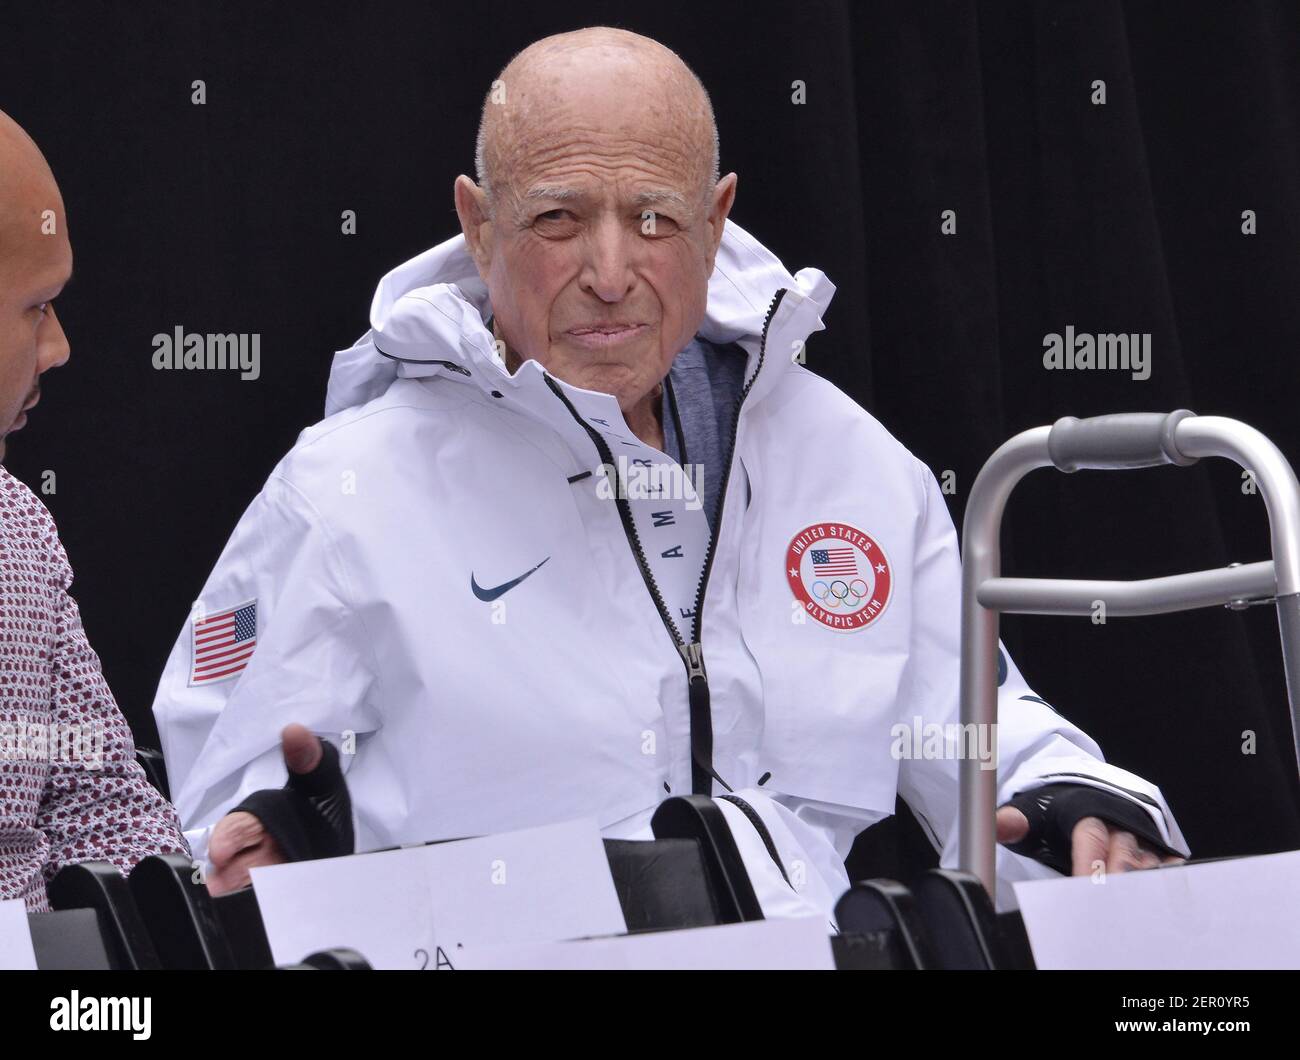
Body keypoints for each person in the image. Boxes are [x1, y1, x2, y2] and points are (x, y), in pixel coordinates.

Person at [152, 28, 1188, 915]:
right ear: (477, 221)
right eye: (558, 218)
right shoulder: (345, 493)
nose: (609, 272)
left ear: (717, 215)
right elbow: (219, 819)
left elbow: (974, 724)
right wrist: (300, 852)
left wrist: (1074, 798)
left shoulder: (844, 460)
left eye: (653, 218)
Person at [0, 109, 190, 911]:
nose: (60, 347)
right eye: (37, 306)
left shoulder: (17, 528)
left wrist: (206, 900)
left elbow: (102, 807)